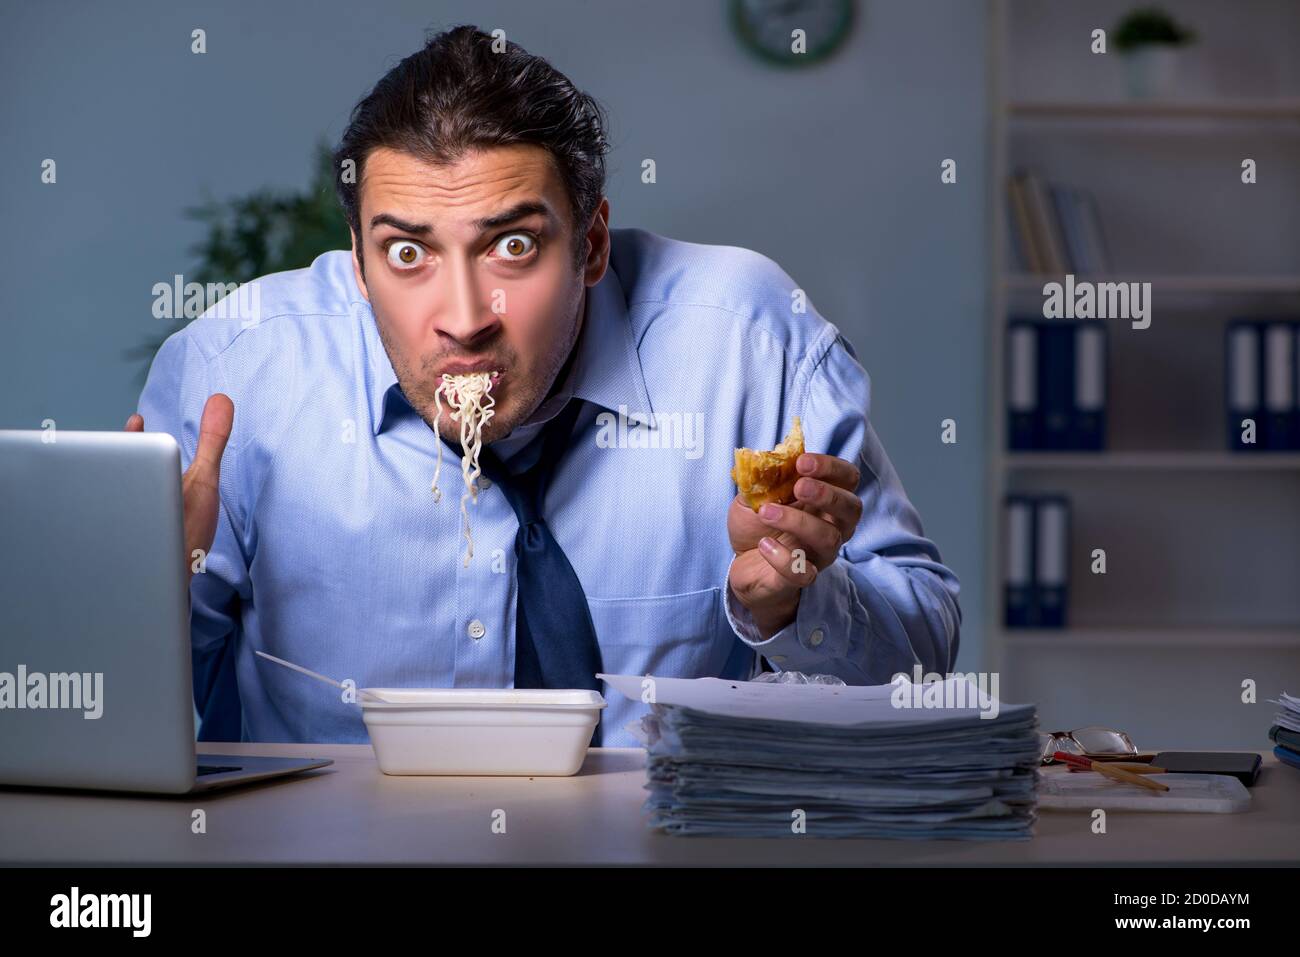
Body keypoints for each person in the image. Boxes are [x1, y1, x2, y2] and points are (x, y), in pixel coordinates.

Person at [129, 24, 960, 747]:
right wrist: (141, 602)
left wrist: (797, 605)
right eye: (408, 254)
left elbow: (925, 659)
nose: (462, 318)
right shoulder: (233, 377)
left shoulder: (749, 343)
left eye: (512, 247)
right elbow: (106, 723)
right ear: (358, 263)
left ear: (592, 244)